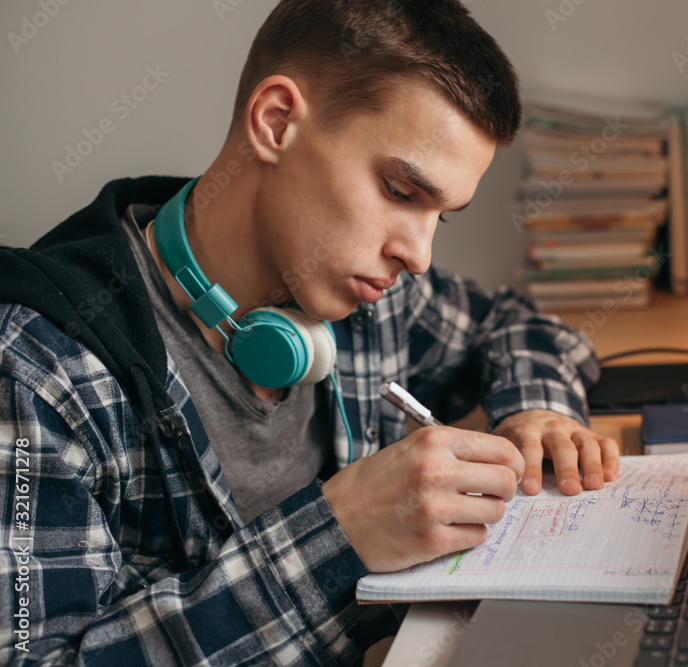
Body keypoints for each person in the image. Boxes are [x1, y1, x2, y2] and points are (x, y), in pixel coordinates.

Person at [0, 0, 620, 664]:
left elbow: (517, 324)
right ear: (277, 122)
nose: (418, 255)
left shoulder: (368, 293)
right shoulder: (39, 369)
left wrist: (537, 408)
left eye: (443, 216)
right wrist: (339, 535)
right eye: (401, 191)